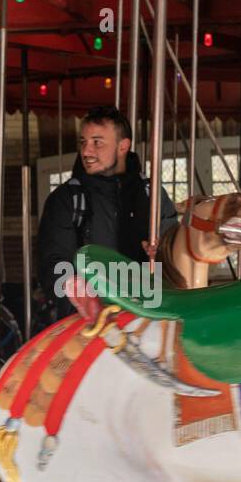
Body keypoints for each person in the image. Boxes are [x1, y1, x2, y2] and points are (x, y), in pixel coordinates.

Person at [37, 106, 179, 321]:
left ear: (123, 146)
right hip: (91, 320)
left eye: (97, 142)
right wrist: (77, 292)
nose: (86, 151)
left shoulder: (153, 196)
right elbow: (54, 261)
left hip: (148, 315)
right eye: (83, 142)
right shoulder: (68, 199)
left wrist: (161, 253)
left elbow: (174, 256)